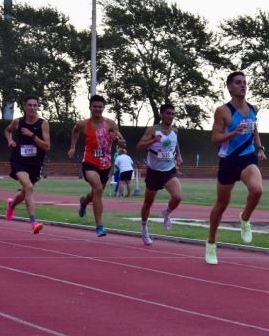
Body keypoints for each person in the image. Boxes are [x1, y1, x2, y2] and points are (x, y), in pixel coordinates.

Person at [205, 71, 267, 264]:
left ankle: (245, 219)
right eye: (238, 83)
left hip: (247, 158)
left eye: (245, 82)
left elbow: (254, 128)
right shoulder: (223, 111)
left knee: (256, 190)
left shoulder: (253, 109)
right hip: (228, 160)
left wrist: (260, 148)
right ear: (230, 87)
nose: (243, 85)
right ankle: (211, 244)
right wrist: (233, 133)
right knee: (221, 205)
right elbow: (215, 139)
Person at [68, 94, 127, 237]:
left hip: (105, 164)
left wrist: (117, 138)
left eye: (100, 107)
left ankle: (84, 202)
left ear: (103, 108)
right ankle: (99, 226)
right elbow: (75, 130)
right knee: (98, 188)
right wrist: (73, 146)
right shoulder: (83, 124)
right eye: (95, 106)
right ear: (90, 107)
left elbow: (123, 143)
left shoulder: (110, 124)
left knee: (96, 193)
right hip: (89, 162)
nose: (97, 109)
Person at [3, 95, 51, 234]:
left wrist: (32, 135)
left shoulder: (43, 124)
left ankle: (12, 205)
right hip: (19, 161)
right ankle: (34, 222)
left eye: (35, 105)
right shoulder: (18, 122)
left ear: (38, 107)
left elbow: (47, 147)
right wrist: (10, 140)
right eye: (29, 105)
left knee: (25, 192)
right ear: (24, 107)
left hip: (35, 164)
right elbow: (7, 130)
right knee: (29, 187)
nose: (32, 108)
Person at [136, 103, 183, 245]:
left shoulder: (174, 130)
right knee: (148, 203)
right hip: (154, 172)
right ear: (161, 115)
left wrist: (179, 155)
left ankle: (166, 212)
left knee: (177, 197)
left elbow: (175, 143)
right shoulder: (153, 130)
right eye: (168, 113)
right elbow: (139, 146)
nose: (171, 116)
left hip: (169, 170)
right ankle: (144, 229)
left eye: (173, 114)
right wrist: (152, 141)